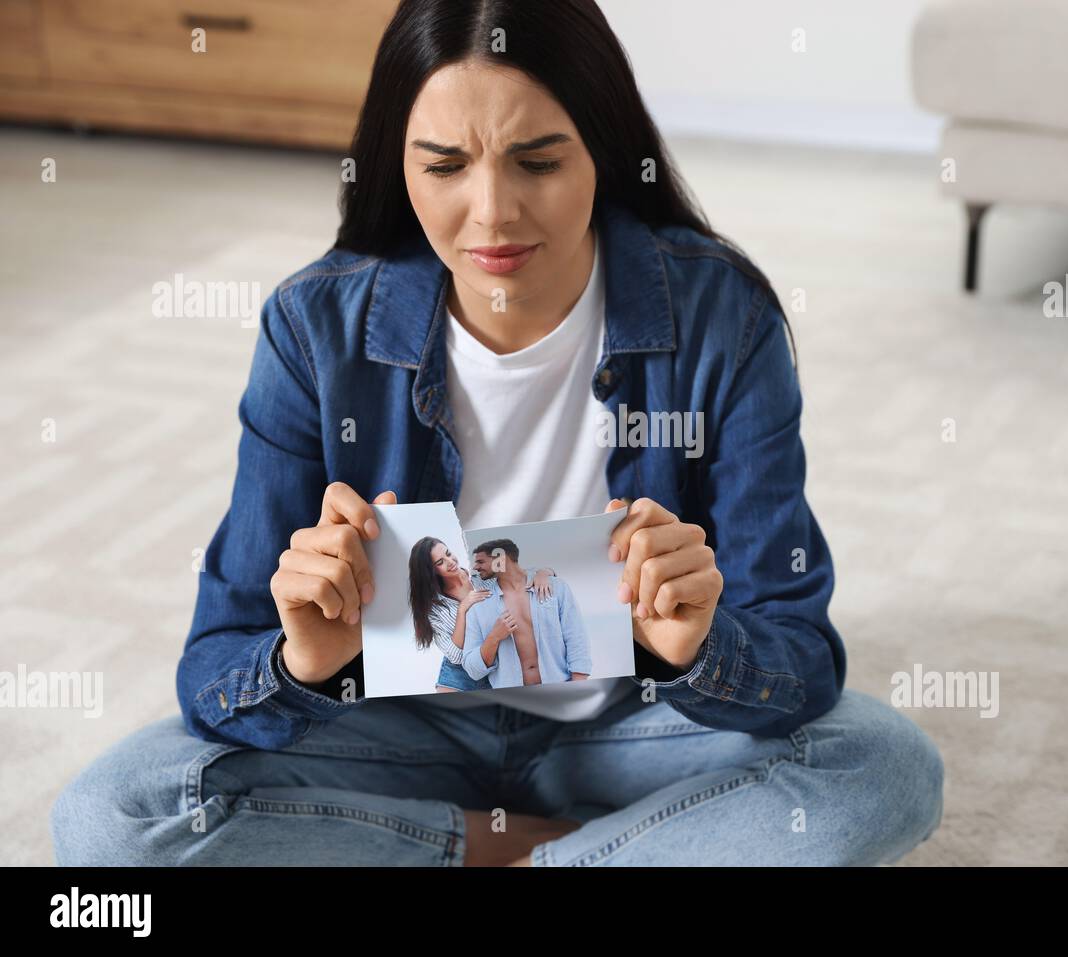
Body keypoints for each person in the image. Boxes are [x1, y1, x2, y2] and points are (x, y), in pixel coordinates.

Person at [50, 0, 944, 867]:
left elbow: (798, 650)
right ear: (395, 166)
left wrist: (702, 648)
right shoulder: (313, 327)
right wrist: (304, 663)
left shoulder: (722, 317)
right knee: (117, 817)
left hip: (633, 727)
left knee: (882, 767)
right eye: (444, 167)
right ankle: (536, 846)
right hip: (400, 726)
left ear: (602, 146)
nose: (492, 214)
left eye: (538, 162)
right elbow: (213, 673)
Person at [407, 535, 554, 693]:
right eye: (440, 562)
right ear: (430, 571)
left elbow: (523, 575)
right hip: (458, 675)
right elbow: (456, 657)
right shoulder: (433, 608)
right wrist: (462, 609)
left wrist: (544, 573)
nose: (450, 562)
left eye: (448, 554)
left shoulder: (482, 575)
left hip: (495, 667)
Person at [460, 539, 591, 688]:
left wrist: (578, 686)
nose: (476, 567)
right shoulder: (479, 606)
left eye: (481, 562)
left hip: (560, 690)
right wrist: (494, 637)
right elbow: (472, 669)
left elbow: (576, 639)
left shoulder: (556, 587)